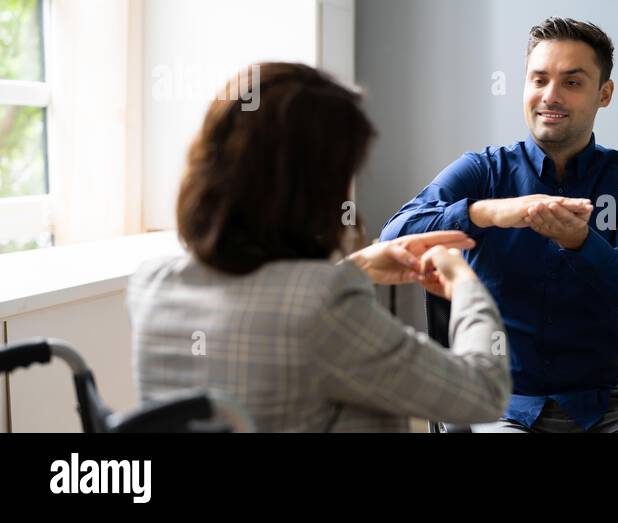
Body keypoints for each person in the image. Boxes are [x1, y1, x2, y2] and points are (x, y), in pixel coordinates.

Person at [127, 63, 510, 432]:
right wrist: (465, 284)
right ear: (312, 188)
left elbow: (267, 305)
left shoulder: (151, 285)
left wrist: (356, 267)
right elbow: (482, 393)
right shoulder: (324, 307)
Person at [380, 18, 618, 433]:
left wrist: (582, 243)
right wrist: (488, 213)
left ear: (604, 94)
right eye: (539, 79)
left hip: (595, 408)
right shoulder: (482, 171)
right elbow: (394, 234)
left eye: (572, 82)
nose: (550, 96)